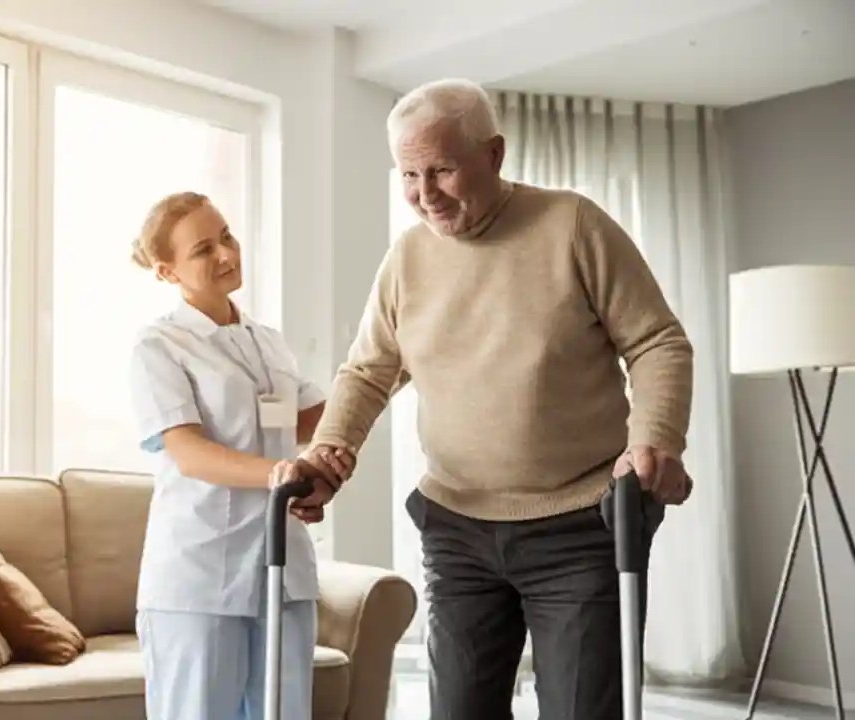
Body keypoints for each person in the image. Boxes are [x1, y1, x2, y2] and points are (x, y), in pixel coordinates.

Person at [290, 79, 694, 719]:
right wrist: (328, 453)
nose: (425, 195)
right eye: (410, 175)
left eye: (443, 170)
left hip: (580, 524)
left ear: (494, 154)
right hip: (458, 528)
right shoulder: (407, 258)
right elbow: (370, 370)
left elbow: (657, 341)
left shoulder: (572, 224)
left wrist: (656, 440)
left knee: (581, 710)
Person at [127, 191, 348, 719]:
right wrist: (283, 474)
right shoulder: (159, 346)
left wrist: (392, 366)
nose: (226, 254)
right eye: (203, 249)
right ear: (166, 271)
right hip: (200, 574)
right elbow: (190, 453)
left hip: (281, 566)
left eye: (226, 236)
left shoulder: (268, 342)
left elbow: (313, 417)